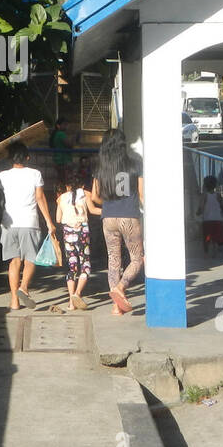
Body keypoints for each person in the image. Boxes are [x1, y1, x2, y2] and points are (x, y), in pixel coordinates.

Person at [0, 140, 57, 311]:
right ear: (28, 157)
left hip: (9, 224)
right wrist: (49, 222)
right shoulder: (35, 174)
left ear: (10, 159)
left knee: (14, 262)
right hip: (29, 223)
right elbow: (40, 198)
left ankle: (14, 301)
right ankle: (24, 287)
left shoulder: (3, 175)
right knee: (31, 259)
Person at [87, 130, 143, 315]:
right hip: (129, 216)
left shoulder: (101, 168)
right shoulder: (135, 164)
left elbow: (95, 197)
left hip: (108, 217)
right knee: (136, 259)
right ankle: (120, 287)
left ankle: (116, 307)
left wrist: (112, 203)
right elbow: (142, 195)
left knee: (113, 260)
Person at [57, 173, 99, 310]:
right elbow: (93, 210)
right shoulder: (85, 193)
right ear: (81, 185)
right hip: (82, 232)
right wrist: (110, 211)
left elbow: (58, 219)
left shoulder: (61, 198)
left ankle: (71, 302)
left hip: (68, 234)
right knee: (85, 265)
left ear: (67, 186)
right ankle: (77, 293)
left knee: (72, 266)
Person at [198, 174, 223, 260]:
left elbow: (201, 207)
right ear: (215, 185)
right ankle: (216, 253)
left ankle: (207, 254)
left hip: (207, 221)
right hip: (217, 220)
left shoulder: (204, 195)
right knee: (216, 237)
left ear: (205, 185)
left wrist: (198, 212)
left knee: (207, 238)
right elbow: (221, 206)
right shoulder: (218, 195)